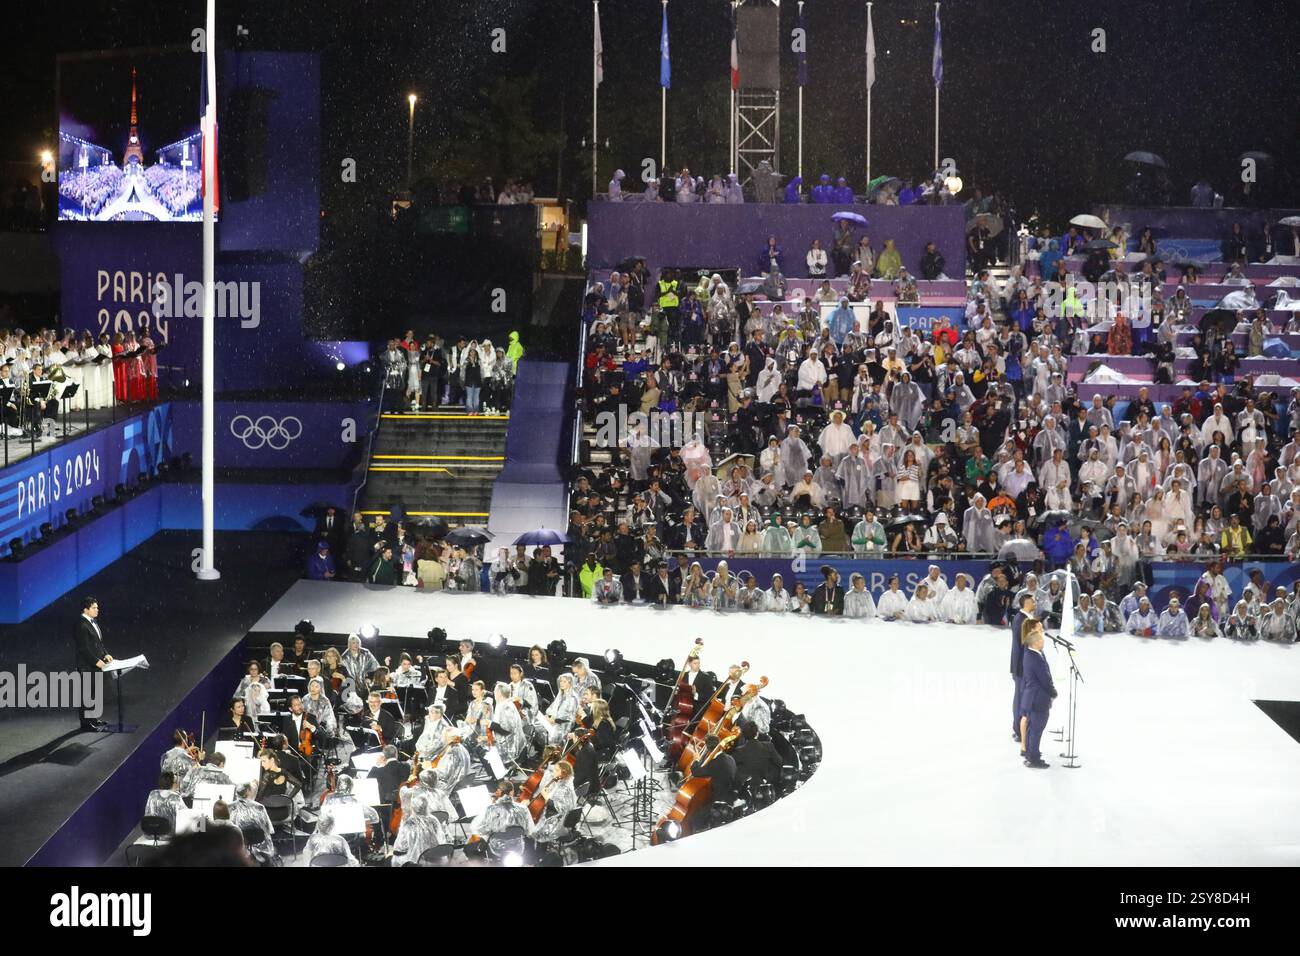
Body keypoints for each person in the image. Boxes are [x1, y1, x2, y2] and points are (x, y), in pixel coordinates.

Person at [1019, 620, 1057, 769]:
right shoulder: (1037, 659)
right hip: (1038, 698)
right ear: (1035, 643)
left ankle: (1030, 754)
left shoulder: (1029, 654)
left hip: (1031, 697)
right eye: (1040, 639)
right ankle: (1033, 758)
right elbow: (1045, 680)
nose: (1043, 641)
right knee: (1036, 730)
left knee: (1032, 729)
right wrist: (1053, 692)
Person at [73, 596, 111, 732]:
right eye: (94, 608)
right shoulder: (81, 624)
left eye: (97, 607)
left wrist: (105, 654)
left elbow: (97, 643)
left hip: (94, 665)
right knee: (86, 695)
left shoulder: (92, 622)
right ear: (86, 609)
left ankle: (93, 719)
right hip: (86, 666)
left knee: (94, 693)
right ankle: (85, 724)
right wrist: (96, 661)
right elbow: (84, 648)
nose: (97, 610)